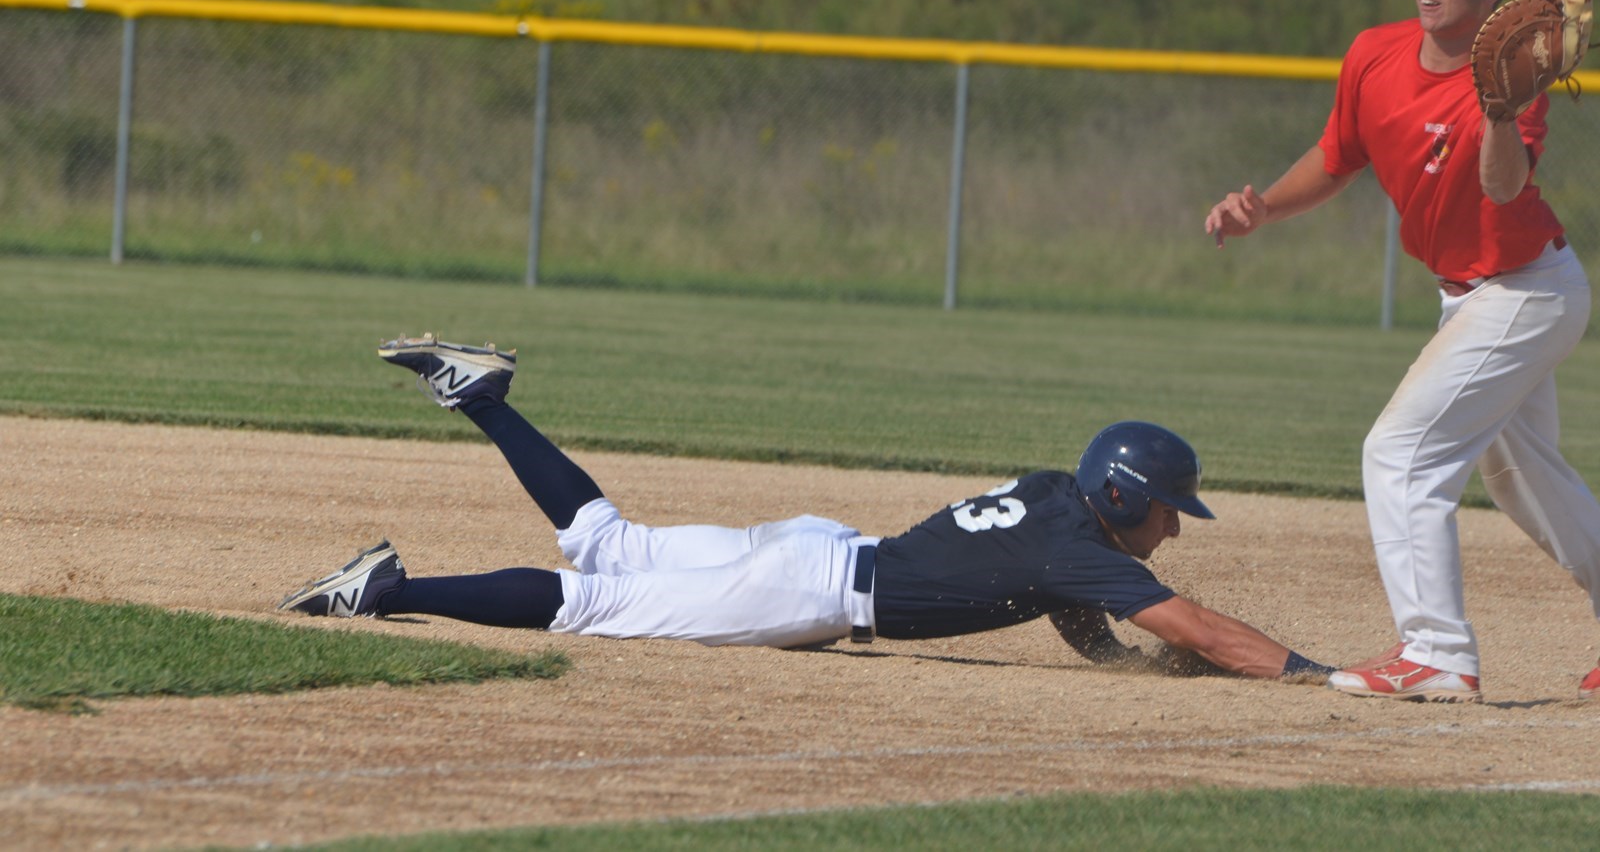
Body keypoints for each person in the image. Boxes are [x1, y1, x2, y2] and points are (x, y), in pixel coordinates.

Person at [279, 335, 1331, 683]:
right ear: (1122, 499)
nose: (1174, 528)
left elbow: (1064, 592)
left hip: (814, 546)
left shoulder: (1055, 497)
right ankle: (391, 588)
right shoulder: (1084, 540)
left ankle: (481, 396)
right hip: (811, 585)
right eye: (1169, 511)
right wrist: (1314, 673)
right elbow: (1189, 621)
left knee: (611, 538)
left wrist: (1106, 657)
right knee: (591, 600)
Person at [1205, 0, 1600, 704]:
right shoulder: (1374, 53)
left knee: (1402, 453)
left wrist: (1496, 107)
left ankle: (1437, 652)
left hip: (1524, 291)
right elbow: (1336, 155)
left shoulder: (1516, 80)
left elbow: (1502, 186)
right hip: (1469, 297)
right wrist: (1265, 209)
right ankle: (1440, 648)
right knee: (1522, 473)